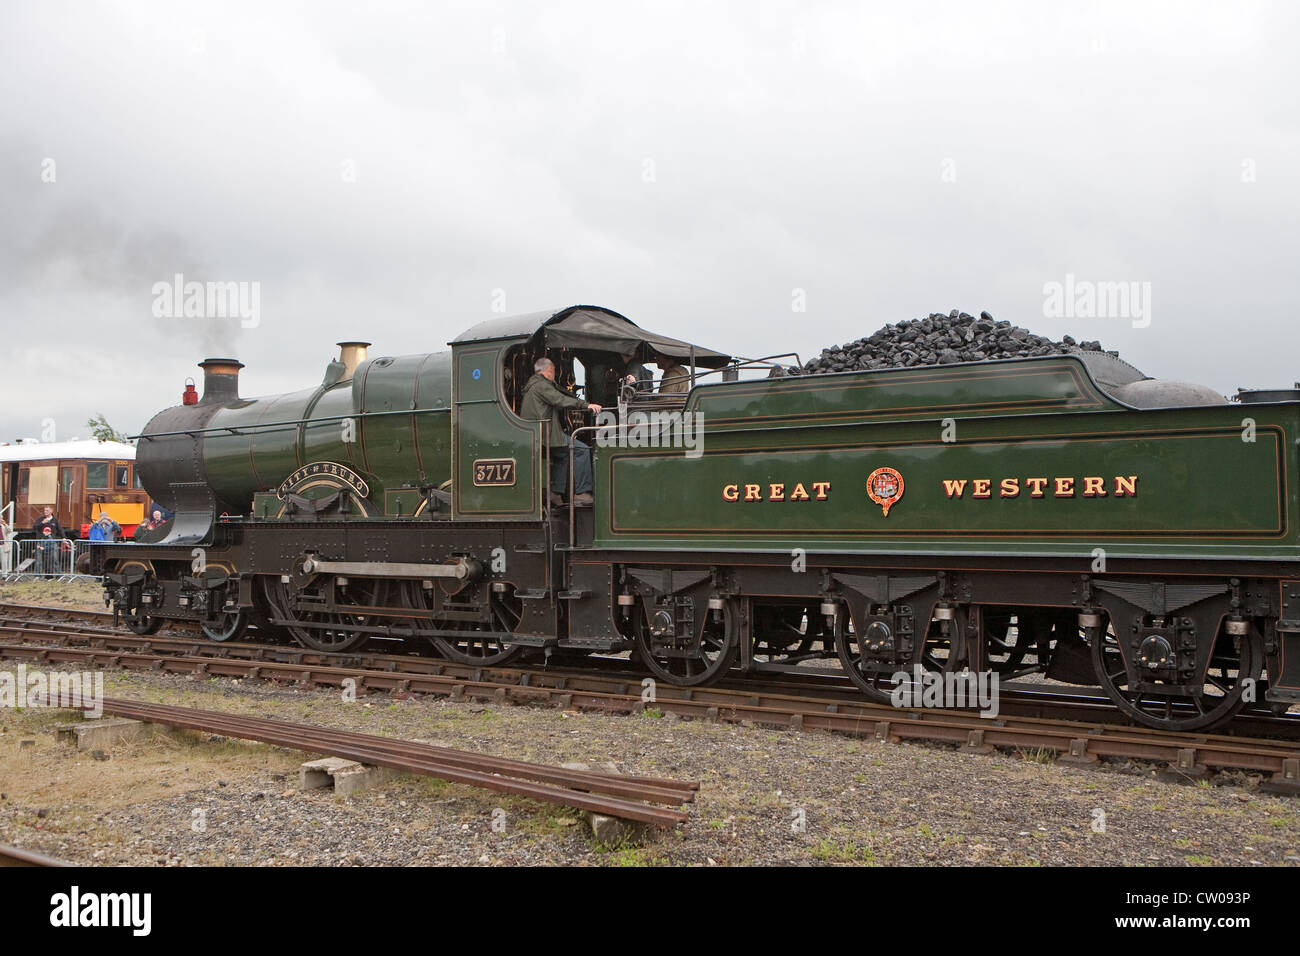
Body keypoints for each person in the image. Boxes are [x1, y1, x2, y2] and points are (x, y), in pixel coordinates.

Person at [519, 357, 601, 507]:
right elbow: (560, 400)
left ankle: (555, 493)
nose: (554, 375)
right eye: (554, 371)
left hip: (538, 436)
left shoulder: (532, 386)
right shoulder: (541, 385)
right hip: (546, 436)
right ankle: (582, 493)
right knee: (581, 450)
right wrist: (586, 405)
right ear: (549, 371)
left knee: (563, 456)